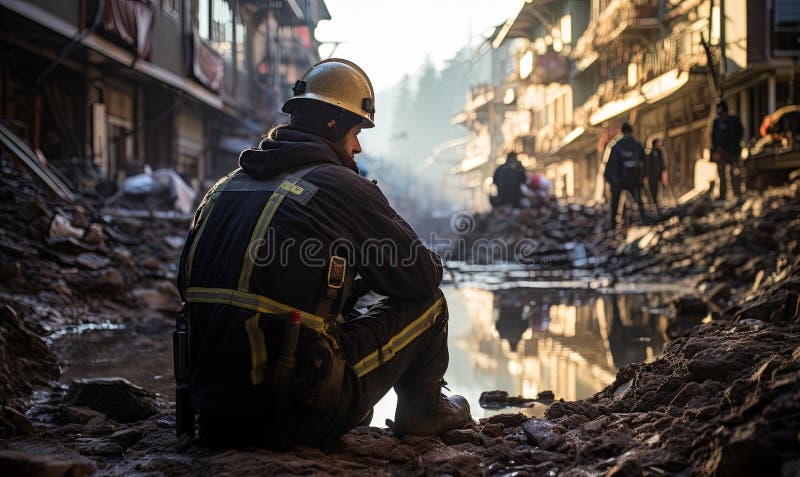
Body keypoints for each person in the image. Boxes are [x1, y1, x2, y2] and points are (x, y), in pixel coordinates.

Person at [175, 59, 472, 449]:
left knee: (330, 306)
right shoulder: (339, 184)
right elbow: (421, 276)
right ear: (334, 127)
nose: (358, 146)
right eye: (356, 132)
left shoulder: (224, 188)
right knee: (430, 304)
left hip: (211, 418)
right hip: (292, 416)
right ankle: (423, 410)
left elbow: (190, 287)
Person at [604, 123, 646, 228]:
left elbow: (609, 165)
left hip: (618, 180)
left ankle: (613, 224)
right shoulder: (638, 144)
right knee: (639, 201)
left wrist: (610, 179)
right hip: (634, 179)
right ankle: (643, 220)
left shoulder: (615, 145)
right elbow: (644, 162)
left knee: (615, 203)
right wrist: (642, 178)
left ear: (621, 131)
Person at [711, 101, 744, 199]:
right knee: (721, 174)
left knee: (734, 172)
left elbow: (739, 133)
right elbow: (713, 137)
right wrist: (717, 149)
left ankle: (737, 194)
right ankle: (723, 194)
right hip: (721, 152)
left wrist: (734, 147)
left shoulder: (733, 120)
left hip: (733, 151)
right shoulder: (716, 123)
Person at [643, 138, 667, 214]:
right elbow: (648, 166)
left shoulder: (660, 152)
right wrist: (646, 174)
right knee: (653, 191)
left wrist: (663, 174)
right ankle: (654, 205)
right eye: (658, 143)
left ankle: (657, 205)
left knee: (658, 190)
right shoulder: (651, 153)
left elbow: (663, 165)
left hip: (658, 175)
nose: (660, 144)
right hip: (652, 176)